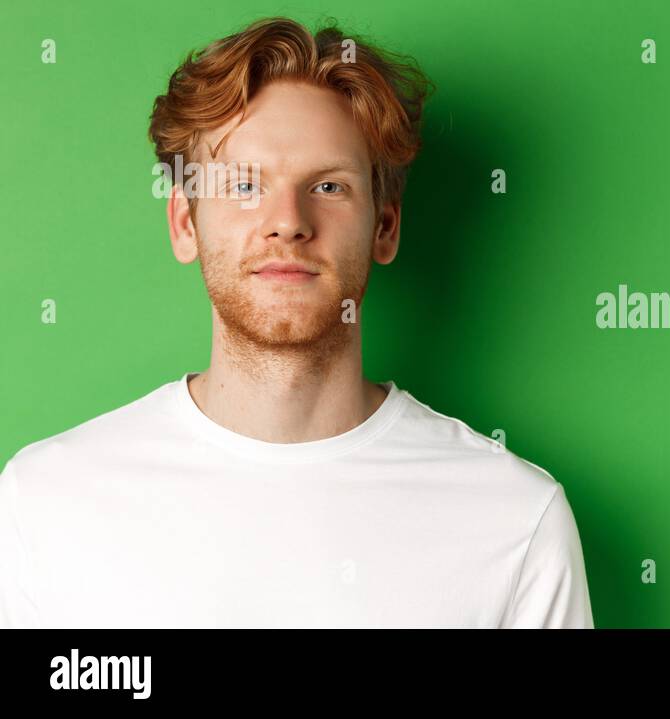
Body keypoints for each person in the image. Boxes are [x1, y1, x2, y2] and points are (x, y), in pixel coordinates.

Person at [0, 17, 593, 628]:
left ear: (385, 226)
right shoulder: (45, 500)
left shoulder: (515, 519)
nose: (287, 221)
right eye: (243, 184)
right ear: (184, 223)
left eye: (329, 185)